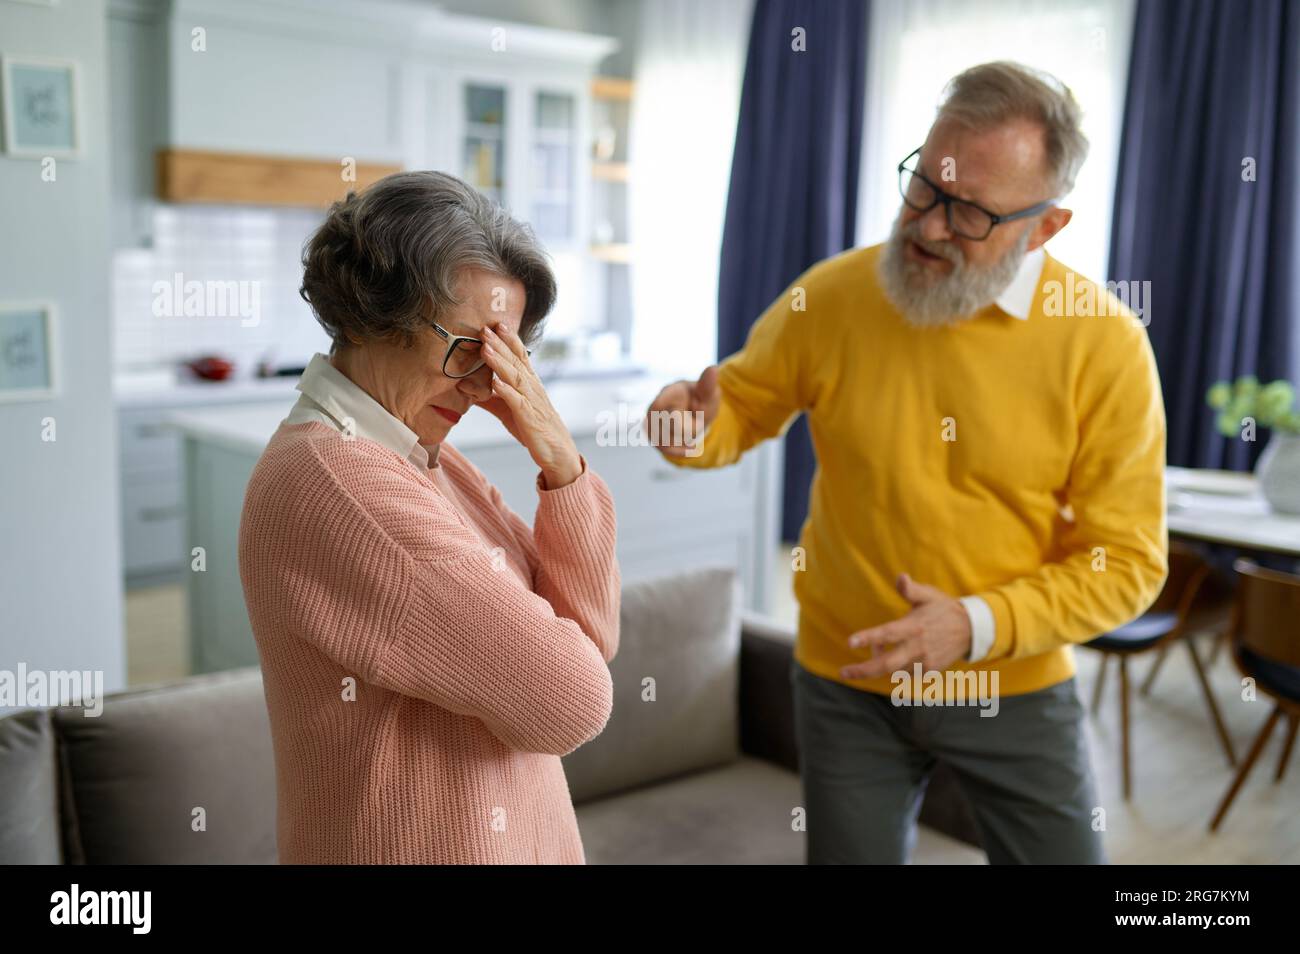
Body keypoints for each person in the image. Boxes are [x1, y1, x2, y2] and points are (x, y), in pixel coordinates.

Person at [648, 61, 1167, 864]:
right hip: (844, 682)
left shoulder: (1104, 344)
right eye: (924, 185)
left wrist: (974, 624)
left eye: (969, 213)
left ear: (1045, 227)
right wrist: (691, 431)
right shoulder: (835, 294)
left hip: (1012, 685)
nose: (927, 226)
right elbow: (742, 406)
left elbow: (1128, 563)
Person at [239, 171, 619, 864]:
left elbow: (594, 638)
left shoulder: (427, 464)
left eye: (504, 356)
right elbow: (574, 701)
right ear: (370, 313)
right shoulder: (341, 486)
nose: (483, 388)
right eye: (467, 348)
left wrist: (562, 462)